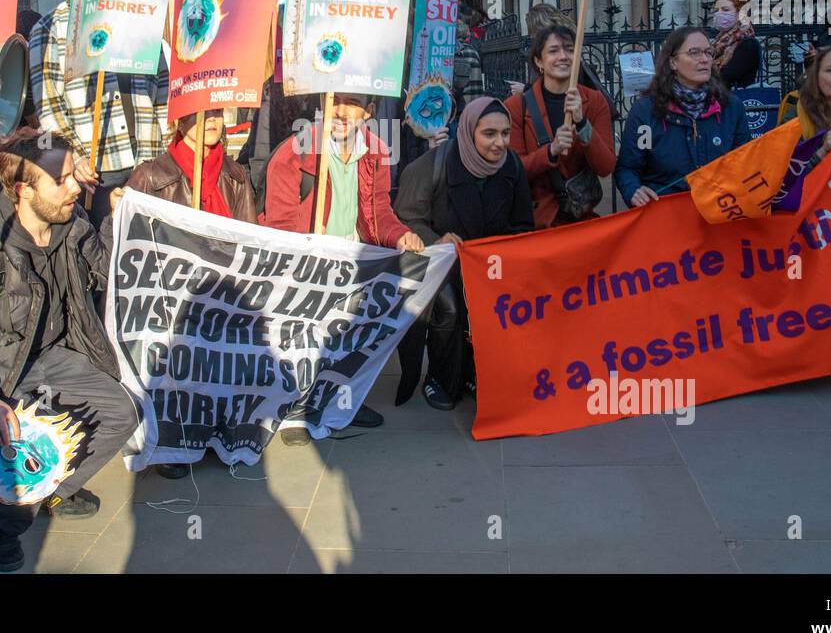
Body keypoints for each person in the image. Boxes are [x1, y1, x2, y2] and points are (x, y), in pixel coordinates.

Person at [0, 128, 141, 571]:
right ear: (22, 190)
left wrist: (114, 217)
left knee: (123, 413)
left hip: (56, 359)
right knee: (29, 446)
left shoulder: (71, 225)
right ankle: (1, 523)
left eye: (73, 175)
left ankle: (50, 488)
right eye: (62, 179)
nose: (76, 187)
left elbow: (106, 272)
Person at [261, 92, 425, 441]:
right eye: (335, 101)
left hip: (352, 263)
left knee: (344, 339)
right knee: (305, 340)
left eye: (352, 104)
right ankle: (296, 408)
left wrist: (400, 236)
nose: (341, 111)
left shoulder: (377, 150)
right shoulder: (294, 153)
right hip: (307, 267)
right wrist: (305, 248)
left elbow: (379, 210)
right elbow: (280, 226)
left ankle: (340, 402)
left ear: (368, 112)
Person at [129, 108, 257, 477]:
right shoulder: (151, 177)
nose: (213, 120)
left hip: (221, 287)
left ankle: (218, 431)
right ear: (179, 121)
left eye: (217, 112)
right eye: (202, 113)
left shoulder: (235, 175)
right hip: (170, 293)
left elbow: (248, 235)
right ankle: (173, 438)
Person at [394, 97, 533, 408]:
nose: (500, 143)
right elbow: (405, 217)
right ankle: (439, 377)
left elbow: (523, 222)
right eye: (489, 134)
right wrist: (436, 240)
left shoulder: (511, 166)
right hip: (438, 262)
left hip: (489, 265)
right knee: (451, 309)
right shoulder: (432, 166)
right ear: (470, 132)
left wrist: (500, 250)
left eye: (506, 133)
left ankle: (475, 372)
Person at [29, 0, 169, 225]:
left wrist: (167, 145)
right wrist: (74, 157)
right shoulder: (51, 27)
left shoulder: (142, 17)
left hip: (149, 156)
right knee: (105, 247)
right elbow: (48, 108)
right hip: (97, 169)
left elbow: (163, 87)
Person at [615, 25, 752, 207]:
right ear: (673, 63)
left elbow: (746, 162)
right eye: (694, 53)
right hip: (665, 214)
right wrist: (633, 190)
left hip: (719, 210)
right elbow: (628, 168)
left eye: (708, 52)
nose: (704, 59)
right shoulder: (646, 112)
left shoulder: (731, 107)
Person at [507, 13, 617, 227]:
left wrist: (583, 125)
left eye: (569, 49)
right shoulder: (516, 106)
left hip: (579, 218)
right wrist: (551, 151)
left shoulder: (594, 102)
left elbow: (605, 166)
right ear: (539, 61)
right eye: (554, 51)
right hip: (535, 221)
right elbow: (513, 169)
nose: (563, 56)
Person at [710, 0, 761, 89]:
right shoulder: (719, 41)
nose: (719, 13)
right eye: (717, 10)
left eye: (725, 10)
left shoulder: (748, 43)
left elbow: (726, 77)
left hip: (735, 99)